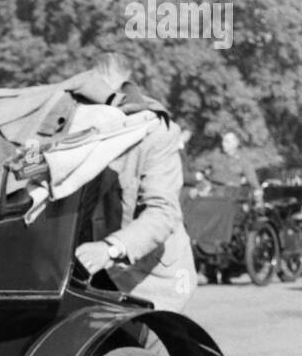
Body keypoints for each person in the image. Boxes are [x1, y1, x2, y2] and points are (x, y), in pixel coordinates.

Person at [72, 51, 196, 312]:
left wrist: (110, 249)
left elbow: (163, 213)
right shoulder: (79, 124)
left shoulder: (156, 133)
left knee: (146, 348)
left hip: (150, 279)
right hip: (90, 272)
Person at [202, 129, 261, 195]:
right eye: (223, 141)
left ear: (236, 143)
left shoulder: (243, 160)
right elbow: (200, 168)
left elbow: (253, 181)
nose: (223, 144)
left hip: (230, 195)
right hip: (212, 193)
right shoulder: (216, 153)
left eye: (227, 142)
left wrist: (258, 200)